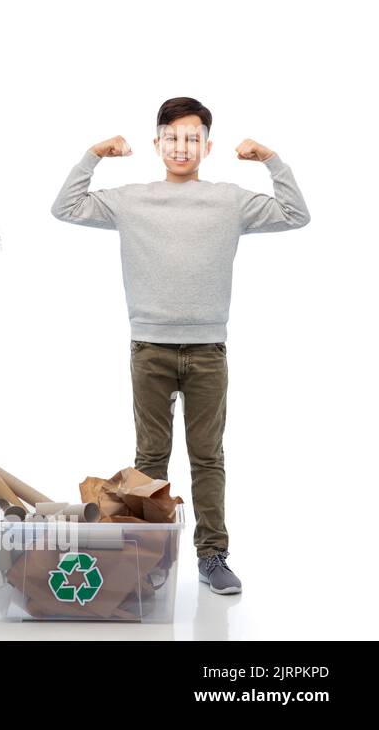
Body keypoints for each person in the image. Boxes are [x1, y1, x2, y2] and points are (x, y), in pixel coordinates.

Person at [51, 96, 310, 595]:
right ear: (157, 144)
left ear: (206, 146)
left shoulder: (229, 200)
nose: (182, 146)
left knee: (208, 458)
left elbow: (295, 213)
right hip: (149, 346)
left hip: (208, 349)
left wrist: (272, 160)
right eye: (172, 137)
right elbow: (66, 207)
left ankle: (213, 557)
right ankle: (148, 560)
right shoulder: (131, 199)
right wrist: (94, 154)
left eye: (193, 138)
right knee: (150, 460)